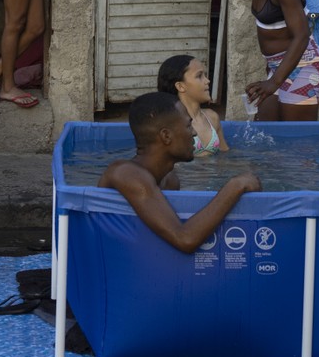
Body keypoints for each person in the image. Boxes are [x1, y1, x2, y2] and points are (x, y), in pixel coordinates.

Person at [99, 92, 260, 253]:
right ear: (166, 136)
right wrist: (236, 185)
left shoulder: (170, 179)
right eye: (188, 125)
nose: (194, 133)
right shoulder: (126, 173)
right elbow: (185, 239)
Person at [157, 54, 229, 154]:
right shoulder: (169, 124)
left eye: (205, 75)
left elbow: (225, 154)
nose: (207, 81)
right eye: (199, 76)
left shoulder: (212, 117)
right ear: (180, 86)